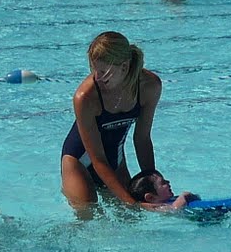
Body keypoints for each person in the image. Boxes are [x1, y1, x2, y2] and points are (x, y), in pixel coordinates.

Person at [60, 31, 162, 209]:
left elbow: (142, 139)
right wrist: (133, 203)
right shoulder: (85, 97)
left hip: (115, 160)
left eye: (103, 72)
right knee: (88, 216)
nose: (97, 78)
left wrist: (153, 185)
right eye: (94, 70)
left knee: (130, 219)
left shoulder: (149, 86)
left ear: (124, 67)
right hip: (80, 162)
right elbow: (97, 158)